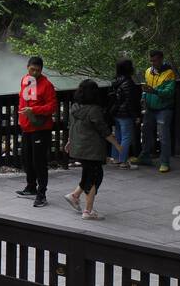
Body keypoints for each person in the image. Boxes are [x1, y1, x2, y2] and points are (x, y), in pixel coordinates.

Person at [64, 79, 120, 221]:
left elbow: (72, 126)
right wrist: (118, 145)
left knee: (89, 173)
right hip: (92, 149)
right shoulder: (94, 110)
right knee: (95, 177)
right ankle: (88, 211)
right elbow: (104, 130)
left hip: (79, 147)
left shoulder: (75, 107)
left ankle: (75, 196)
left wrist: (70, 141)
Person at [15, 55, 58, 207]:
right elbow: (25, 100)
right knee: (27, 158)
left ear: (41, 70)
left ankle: (42, 194)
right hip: (27, 126)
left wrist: (33, 109)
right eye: (32, 69)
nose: (34, 72)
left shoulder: (46, 85)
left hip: (40, 127)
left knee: (39, 161)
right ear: (27, 67)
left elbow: (52, 107)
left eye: (37, 70)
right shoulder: (26, 80)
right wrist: (23, 118)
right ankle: (31, 186)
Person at [139, 49, 177, 172]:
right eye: (151, 60)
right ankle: (145, 156)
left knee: (163, 136)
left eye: (154, 60)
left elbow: (169, 92)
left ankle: (165, 161)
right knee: (146, 132)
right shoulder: (148, 71)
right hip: (150, 108)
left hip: (163, 109)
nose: (152, 63)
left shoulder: (169, 73)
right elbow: (146, 88)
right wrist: (144, 97)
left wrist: (155, 91)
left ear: (161, 59)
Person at [108, 58, 142, 168]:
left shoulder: (116, 81)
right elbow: (130, 102)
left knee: (117, 136)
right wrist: (135, 116)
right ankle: (123, 160)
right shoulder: (128, 83)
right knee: (126, 137)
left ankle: (116, 158)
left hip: (116, 112)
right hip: (125, 114)